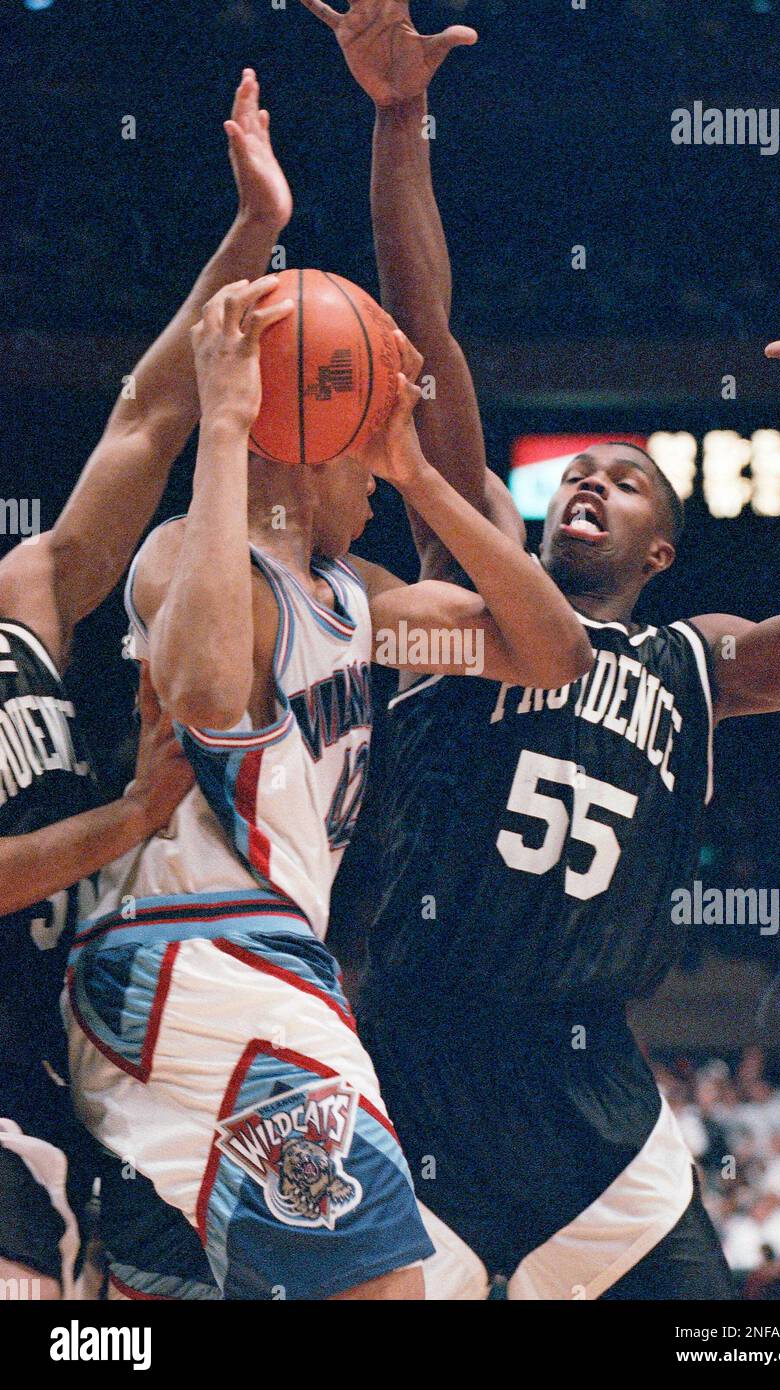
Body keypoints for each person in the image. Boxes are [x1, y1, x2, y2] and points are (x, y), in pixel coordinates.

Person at [305, 0, 780, 1299]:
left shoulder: (693, 661)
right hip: (417, 1051)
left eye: (628, 479)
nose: (598, 480)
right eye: (586, 473)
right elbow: (426, 338)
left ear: (661, 553)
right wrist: (399, 122)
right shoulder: (472, 568)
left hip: (596, 1093)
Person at [64, 256, 593, 1300]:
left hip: (211, 985)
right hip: (210, 958)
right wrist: (225, 425)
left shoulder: (364, 609)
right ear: (313, 443)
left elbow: (555, 654)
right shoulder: (189, 556)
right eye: (360, 456)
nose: (370, 485)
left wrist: (417, 470)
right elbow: (210, 692)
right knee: (392, 1289)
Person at [0, 67, 294, 1299]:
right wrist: (124, 820)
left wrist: (252, 235)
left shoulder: (27, 595)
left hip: (79, 1108)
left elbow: (141, 426)